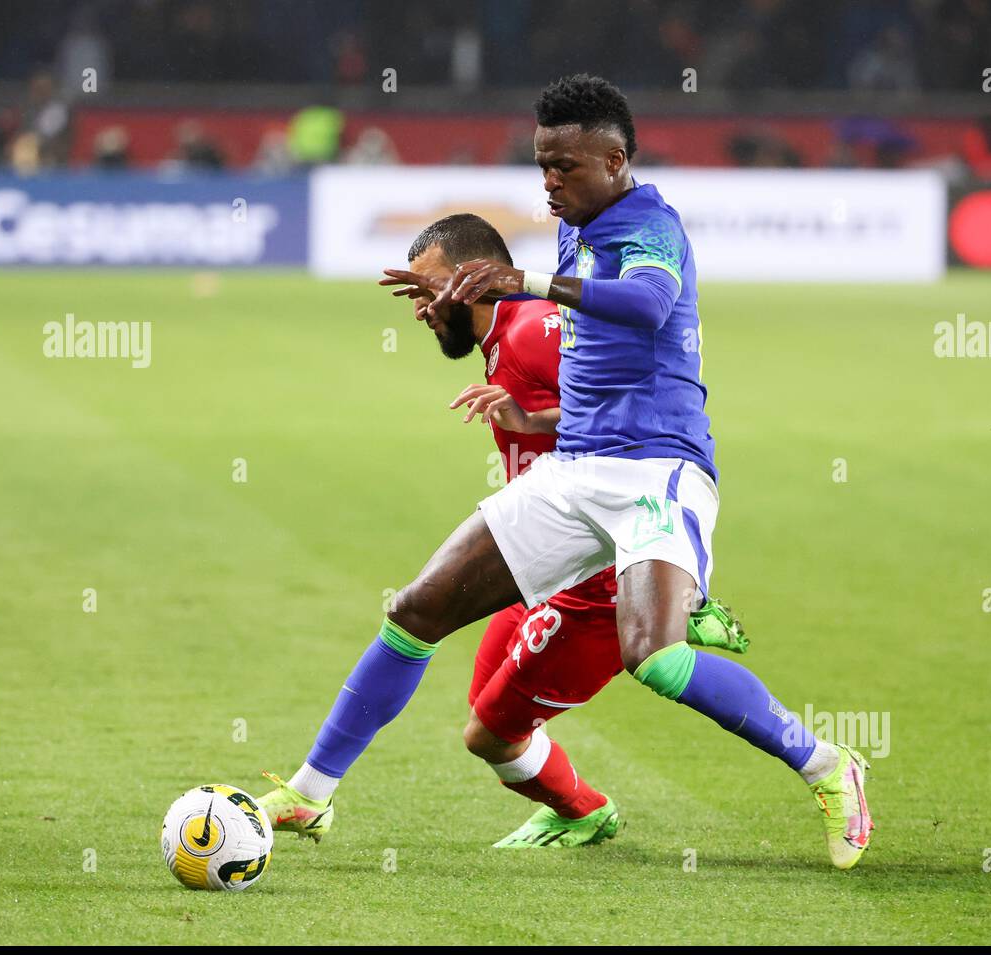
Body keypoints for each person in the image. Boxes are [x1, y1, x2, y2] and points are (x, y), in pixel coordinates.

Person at [261, 75, 874, 870]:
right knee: (417, 609)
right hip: (576, 471)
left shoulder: (649, 224)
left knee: (654, 657)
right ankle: (311, 793)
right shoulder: (573, 226)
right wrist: (535, 421)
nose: (549, 182)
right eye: (542, 165)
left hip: (658, 474)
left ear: (615, 160)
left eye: (566, 167)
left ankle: (830, 767)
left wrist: (526, 283)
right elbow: (604, 371)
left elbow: (651, 305)